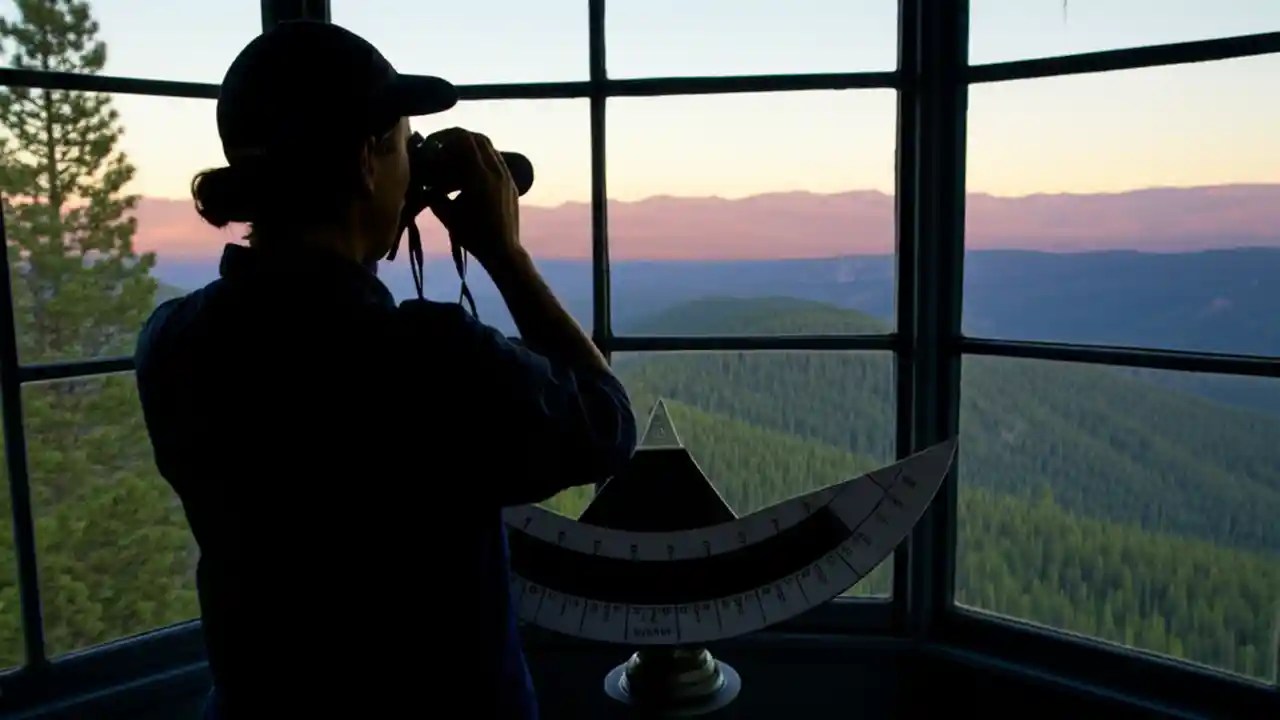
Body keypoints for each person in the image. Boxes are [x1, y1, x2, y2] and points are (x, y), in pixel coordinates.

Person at [133, 20, 637, 720]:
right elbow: (607, 428)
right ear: (368, 161)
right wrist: (504, 253)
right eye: (402, 145)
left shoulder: (173, 343)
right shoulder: (428, 360)